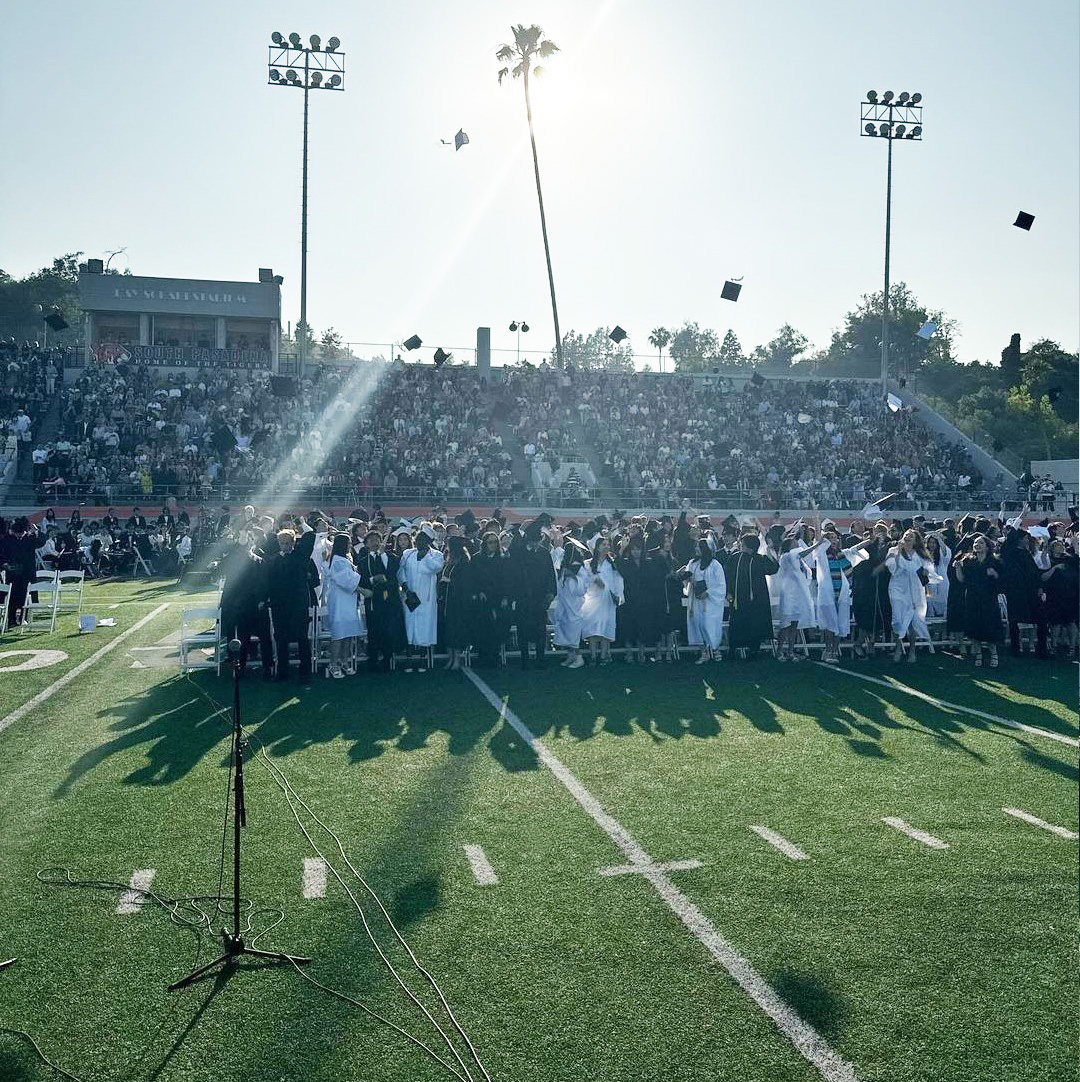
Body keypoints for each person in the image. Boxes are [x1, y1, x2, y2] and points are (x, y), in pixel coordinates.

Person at [812, 526, 871, 664]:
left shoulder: (842, 554)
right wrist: (816, 518)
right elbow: (817, 538)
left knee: (840, 623)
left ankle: (834, 650)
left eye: (834, 538)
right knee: (829, 623)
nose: (833, 540)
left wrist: (869, 540)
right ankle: (827, 650)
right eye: (830, 538)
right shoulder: (821, 554)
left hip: (842, 593)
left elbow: (856, 549)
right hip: (828, 593)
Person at [265, 528, 318, 683]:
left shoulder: (301, 557)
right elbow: (269, 582)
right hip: (279, 605)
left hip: (298, 605)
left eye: (287, 543)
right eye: (281, 543)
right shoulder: (274, 559)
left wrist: (301, 525)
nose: (284, 546)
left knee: (302, 638)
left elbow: (310, 536)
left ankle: (305, 673)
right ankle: (282, 672)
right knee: (281, 639)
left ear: (294, 543)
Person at [723, 529, 779, 659]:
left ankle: (754, 649)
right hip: (739, 598)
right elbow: (728, 576)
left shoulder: (760, 559)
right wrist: (729, 592)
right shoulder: (735, 558)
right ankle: (733, 649)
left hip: (756, 600)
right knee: (736, 623)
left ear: (750, 546)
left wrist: (770, 550)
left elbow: (773, 569)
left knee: (754, 624)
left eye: (743, 543)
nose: (740, 545)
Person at [615, 530, 667, 663]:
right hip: (630, 601)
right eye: (633, 549)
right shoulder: (626, 563)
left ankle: (642, 652)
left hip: (646, 601)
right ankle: (629, 653)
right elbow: (618, 566)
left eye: (638, 549)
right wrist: (621, 549)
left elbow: (657, 578)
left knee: (644, 627)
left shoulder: (649, 563)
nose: (635, 552)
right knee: (630, 628)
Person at [509, 522, 557, 669]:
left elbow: (550, 576)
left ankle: (540, 659)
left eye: (538, 542)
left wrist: (550, 595)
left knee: (540, 630)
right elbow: (513, 575)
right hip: (523, 597)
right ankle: (524, 660)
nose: (536, 545)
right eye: (533, 542)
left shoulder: (544, 553)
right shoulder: (519, 553)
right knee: (523, 630)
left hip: (540, 598)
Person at [885, 529, 936, 663]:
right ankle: (898, 647)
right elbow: (891, 568)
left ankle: (912, 650)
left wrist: (926, 574)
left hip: (915, 590)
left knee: (913, 620)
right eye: (906, 535)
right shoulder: (893, 550)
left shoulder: (920, 554)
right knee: (897, 619)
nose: (907, 537)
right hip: (897, 588)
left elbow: (929, 571)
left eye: (911, 536)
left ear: (915, 540)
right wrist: (898, 553)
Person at [358, 530, 405, 672]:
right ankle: (372, 660)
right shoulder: (363, 561)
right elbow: (361, 580)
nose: (375, 542)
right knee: (373, 630)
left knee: (388, 629)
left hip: (388, 599)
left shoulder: (390, 557)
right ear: (366, 544)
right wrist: (373, 579)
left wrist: (383, 554)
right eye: (371, 540)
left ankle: (387, 658)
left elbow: (393, 572)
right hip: (372, 599)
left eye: (377, 539)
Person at [775, 529, 826, 662]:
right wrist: (817, 544)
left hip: (798, 594)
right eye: (793, 542)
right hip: (789, 594)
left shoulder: (799, 560)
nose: (796, 543)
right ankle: (780, 651)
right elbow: (802, 553)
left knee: (794, 625)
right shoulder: (786, 556)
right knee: (785, 624)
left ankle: (790, 651)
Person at [955, 535, 1004, 667]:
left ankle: (994, 654)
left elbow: (1002, 582)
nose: (977, 545)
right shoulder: (969, 561)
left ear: (987, 546)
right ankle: (978, 655)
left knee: (990, 626)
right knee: (974, 627)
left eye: (981, 543)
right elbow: (962, 580)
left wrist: (994, 574)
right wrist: (958, 568)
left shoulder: (994, 561)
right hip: (972, 597)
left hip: (988, 598)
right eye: (976, 543)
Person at [397, 524, 444, 662]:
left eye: (423, 540)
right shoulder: (408, 554)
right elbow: (400, 573)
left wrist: (425, 555)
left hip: (426, 598)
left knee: (424, 626)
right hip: (409, 596)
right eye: (418, 540)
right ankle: (409, 657)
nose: (419, 542)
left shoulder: (436, 555)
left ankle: (423, 657)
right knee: (409, 625)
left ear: (429, 542)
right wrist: (406, 588)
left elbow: (434, 569)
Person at [323, 534, 365, 678]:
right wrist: (363, 588)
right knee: (339, 635)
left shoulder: (346, 559)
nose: (349, 546)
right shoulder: (337, 561)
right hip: (340, 602)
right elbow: (346, 580)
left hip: (349, 601)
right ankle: (333, 664)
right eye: (347, 544)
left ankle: (344, 662)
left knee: (348, 634)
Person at [580, 537, 623, 665]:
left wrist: (617, 595)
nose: (606, 547)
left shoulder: (612, 564)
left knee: (605, 628)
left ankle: (604, 655)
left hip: (608, 601)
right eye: (603, 544)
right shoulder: (588, 564)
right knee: (592, 628)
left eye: (608, 544)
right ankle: (593, 656)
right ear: (597, 547)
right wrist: (594, 580)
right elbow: (584, 579)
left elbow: (617, 581)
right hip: (593, 600)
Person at [683, 537, 726, 664]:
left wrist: (708, 592)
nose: (696, 549)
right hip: (696, 601)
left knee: (709, 624)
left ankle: (715, 648)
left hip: (710, 602)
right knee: (697, 624)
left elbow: (721, 584)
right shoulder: (693, 563)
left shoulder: (715, 565)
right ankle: (704, 651)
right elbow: (687, 578)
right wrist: (687, 579)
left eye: (699, 547)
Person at [470, 530, 508, 668]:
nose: (493, 545)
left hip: (498, 599)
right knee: (482, 628)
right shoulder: (476, 559)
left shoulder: (503, 559)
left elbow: (507, 580)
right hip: (482, 600)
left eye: (495, 542)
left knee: (497, 628)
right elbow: (473, 579)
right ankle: (482, 656)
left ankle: (495, 656)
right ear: (485, 543)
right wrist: (479, 591)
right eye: (490, 542)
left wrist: (505, 597)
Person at [553, 537, 591, 669]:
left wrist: (573, 576)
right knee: (564, 629)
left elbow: (583, 587)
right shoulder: (563, 564)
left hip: (575, 604)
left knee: (573, 631)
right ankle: (571, 656)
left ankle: (579, 657)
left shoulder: (580, 567)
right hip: (564, 603)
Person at [437, 535, 472, 670]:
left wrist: (448, 581)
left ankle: (457, 660)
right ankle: (450, 658)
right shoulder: (450, 562)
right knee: (448, 631)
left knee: (455, 632)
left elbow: (466, 584)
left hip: (458, 603)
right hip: (446, 602)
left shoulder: (463, 562)